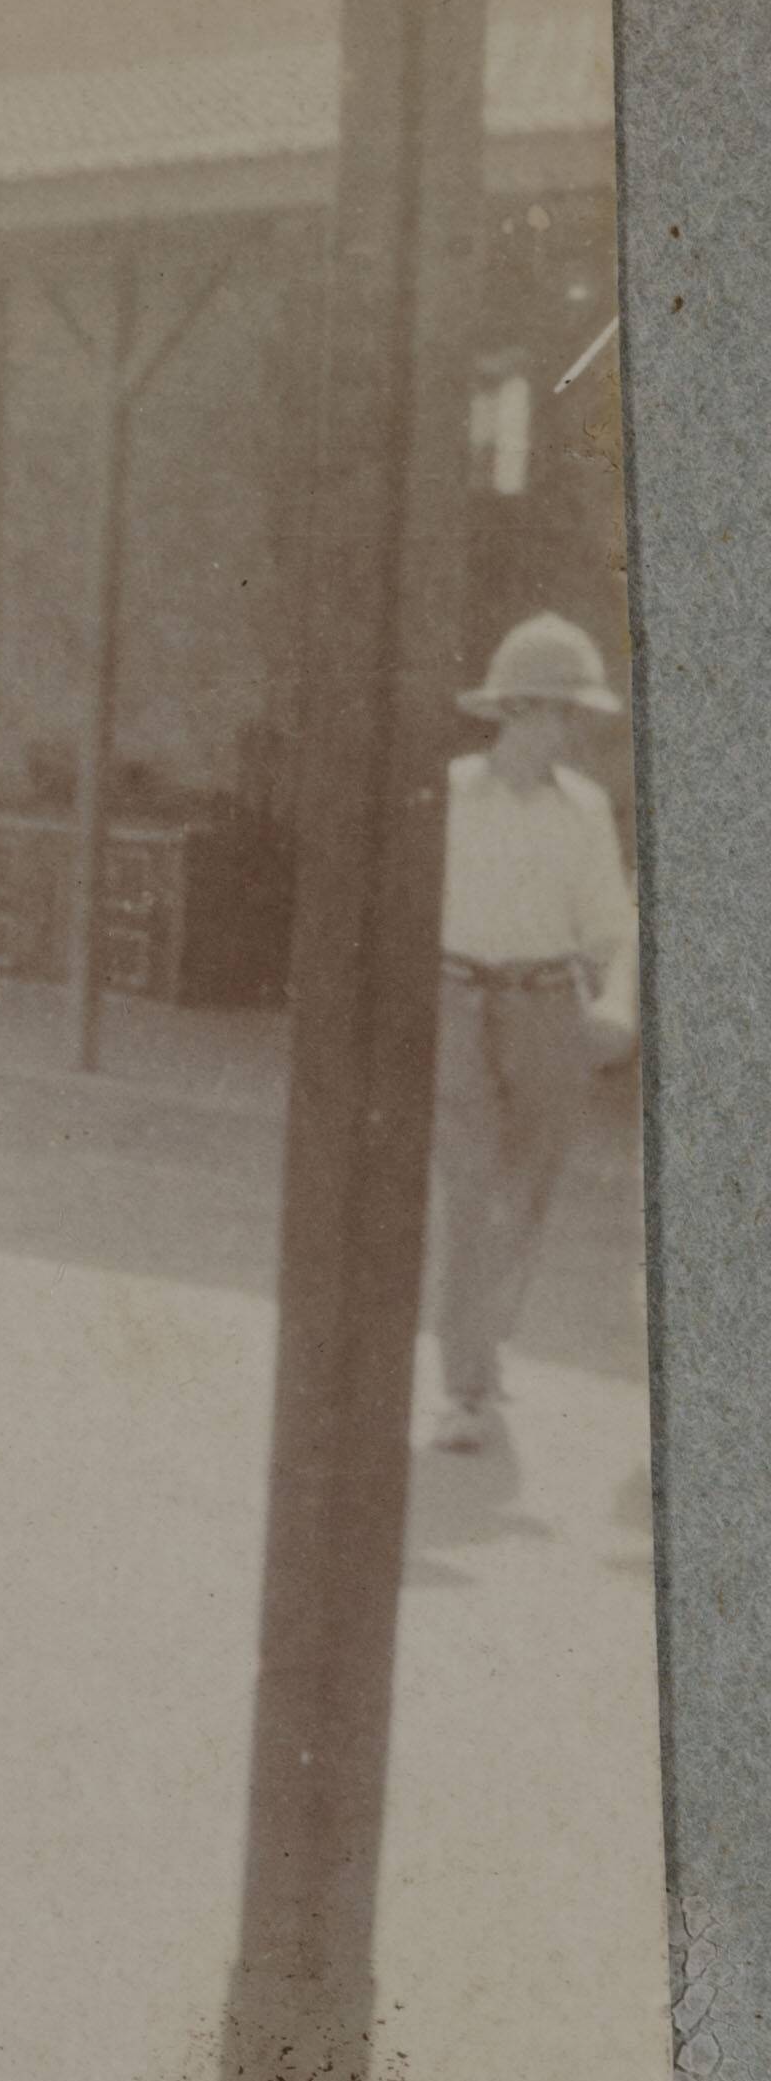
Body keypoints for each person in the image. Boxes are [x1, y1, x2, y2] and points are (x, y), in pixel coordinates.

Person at [424, 609, 641, 1455]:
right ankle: (466, 1387)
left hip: (551, 1011)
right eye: (557, 712)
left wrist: (616, 1005)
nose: (569, 731)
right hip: (461, 1004)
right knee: (470, 1196)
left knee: (528, 1193)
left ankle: (485, 1339)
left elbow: (613, 932)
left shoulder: (583, 810)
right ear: (514, 711)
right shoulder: (446, 796)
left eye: (574, 715)